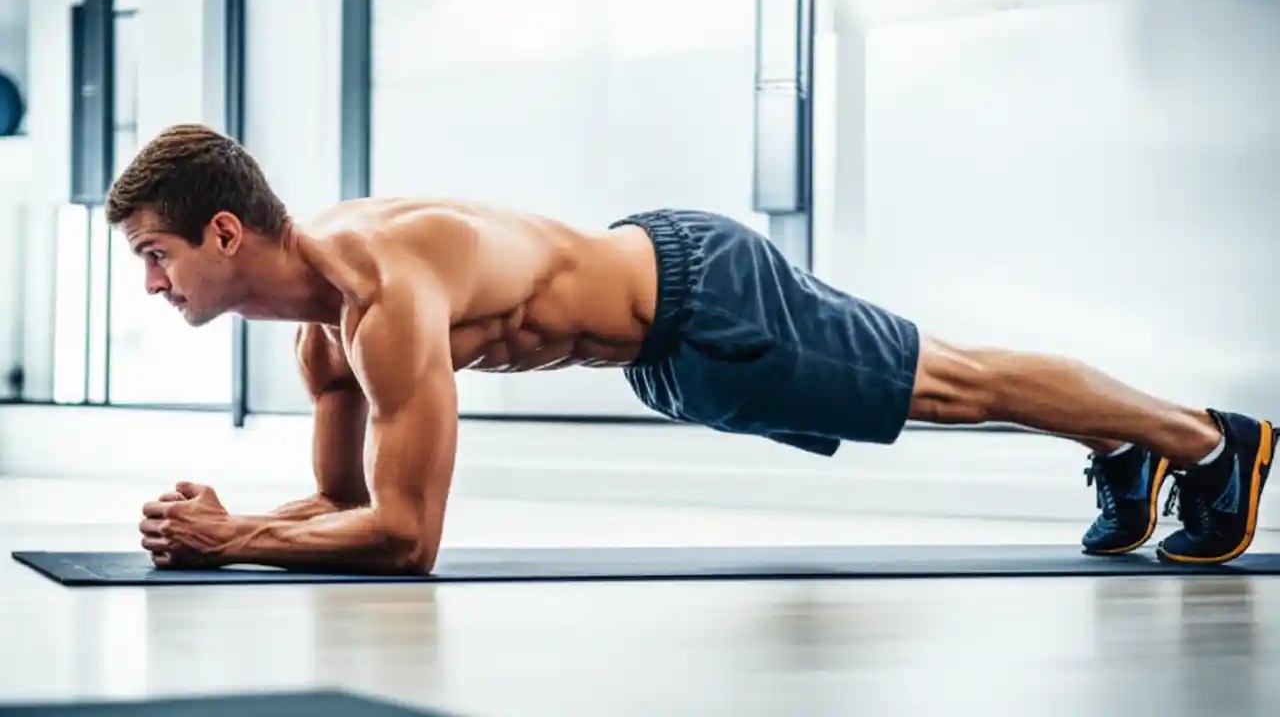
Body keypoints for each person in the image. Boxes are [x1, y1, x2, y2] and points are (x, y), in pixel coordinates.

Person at [109, 124, 1272, 574]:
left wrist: (234, 541)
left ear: (224, 231)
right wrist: (238, 522)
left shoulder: (382, 297)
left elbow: (407, 538)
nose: (152, 285)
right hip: (667, 343)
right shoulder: (325, 337)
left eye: (157, 255)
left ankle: (1204, 442)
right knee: (940, 392)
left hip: (697, 299)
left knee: (946, 385)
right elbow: (341, 501)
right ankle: (1128, 446)